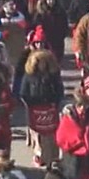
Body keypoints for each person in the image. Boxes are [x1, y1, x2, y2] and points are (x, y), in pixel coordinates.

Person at [21, 29, 63, 167]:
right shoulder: (29, 75)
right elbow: (23, 92)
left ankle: (53, 157)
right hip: (34, 109)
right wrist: (29, 105)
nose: (41, 63)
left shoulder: (53, 74)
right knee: (37, 135)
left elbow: (59, 90)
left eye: (43, 61)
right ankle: (39, 155)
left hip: (49, 108)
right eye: (38, 61)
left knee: (52, 134)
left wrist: (55, 104)